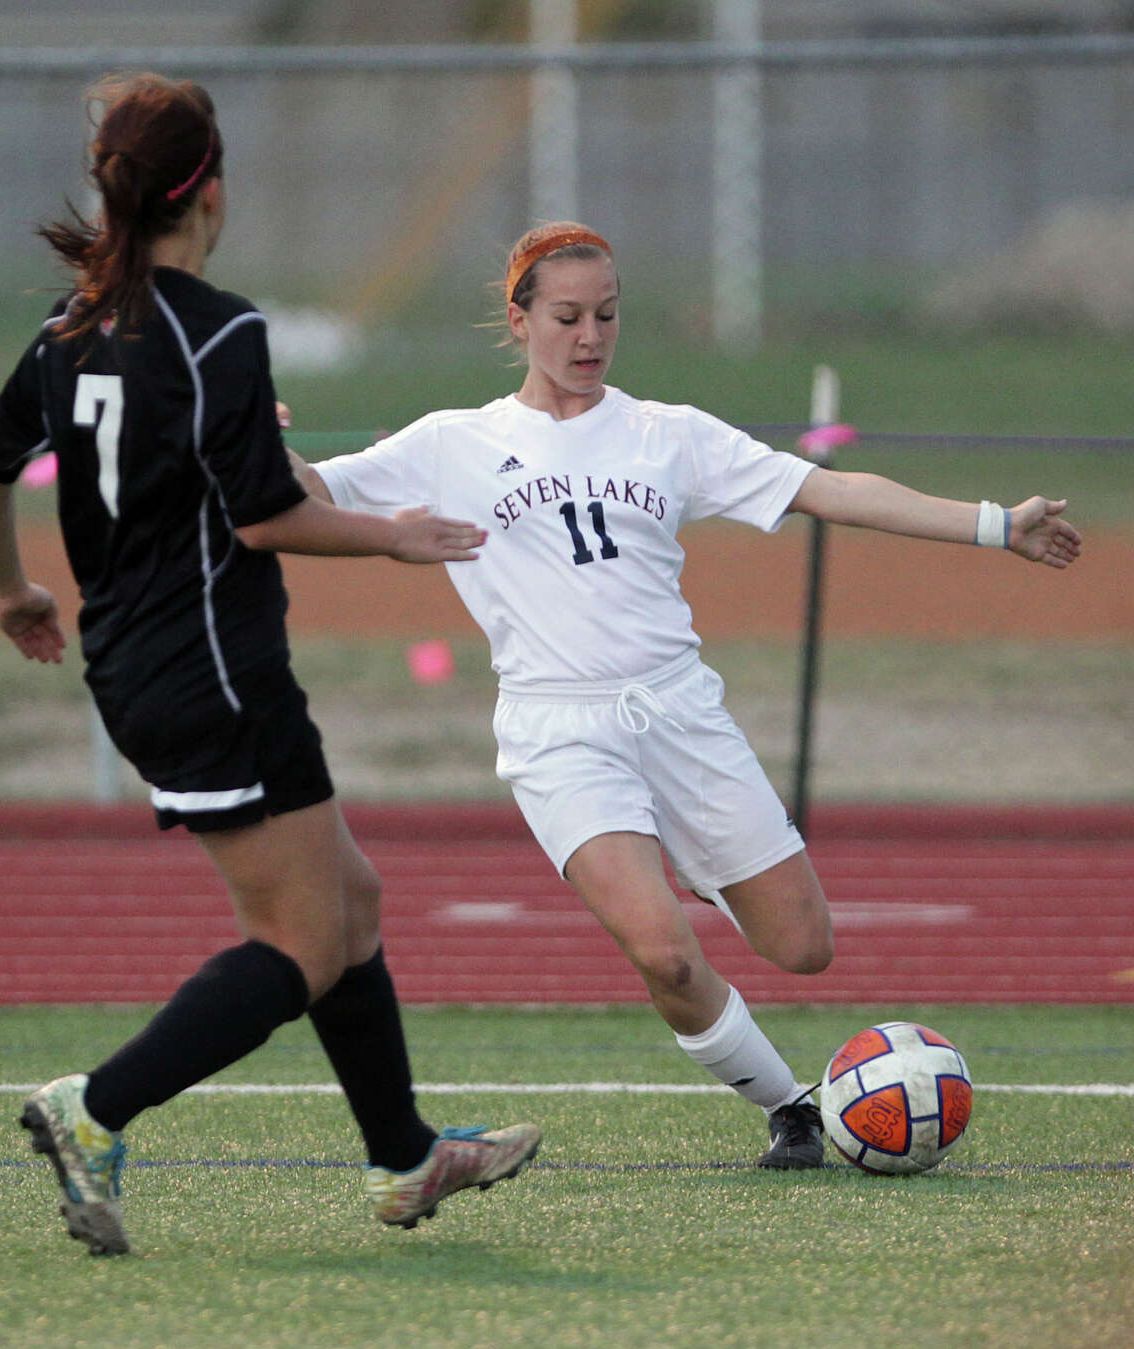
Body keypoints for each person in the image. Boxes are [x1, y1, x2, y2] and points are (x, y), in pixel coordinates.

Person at [297, 220, 1082, 1171]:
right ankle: (789, 1106)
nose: (590, 337)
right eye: (568, 317)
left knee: (804, 947)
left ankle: (705, 861)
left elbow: (833, 492)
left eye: (608, 315)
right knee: (665, 952)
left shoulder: (668, 434)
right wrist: (250, 442)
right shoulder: (451, 443)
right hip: (557, 731)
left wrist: (997, 524)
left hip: (679, 712)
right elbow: (310, 494)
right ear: (519, 321)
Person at [0, 73, 540, 1256]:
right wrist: (397, 536)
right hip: (213, 674)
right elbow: (268, 518)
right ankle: (95, 1108)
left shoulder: (71, 328)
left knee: (352, 902)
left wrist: (11, 589)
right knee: (303, 944)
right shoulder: (218, 326)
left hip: (138, 667)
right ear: (208, 185)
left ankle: (404, 1156)